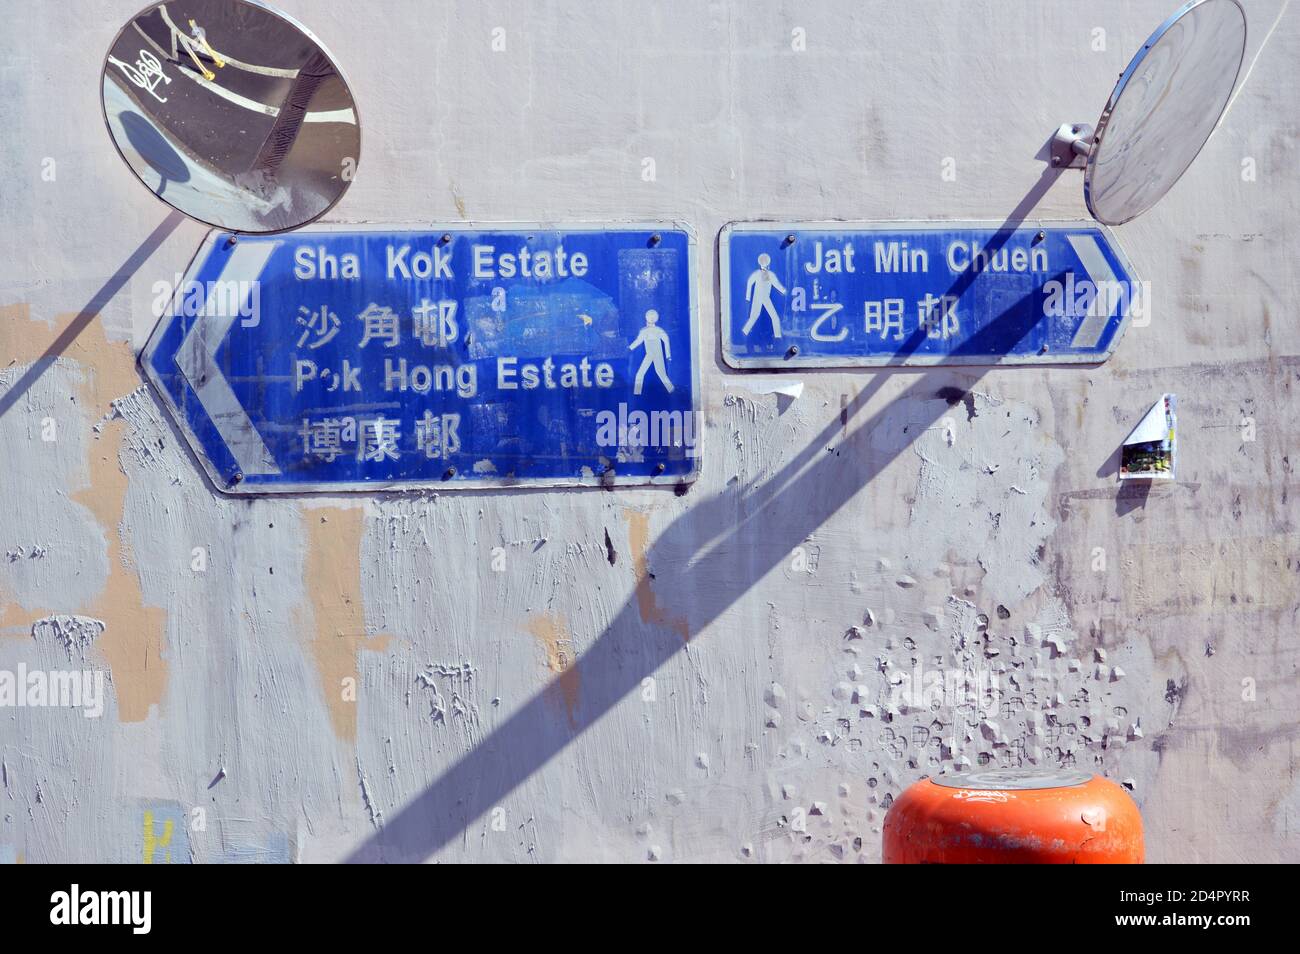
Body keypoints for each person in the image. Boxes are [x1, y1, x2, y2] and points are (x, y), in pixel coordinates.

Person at [629, 309, 673, 395]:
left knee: (661, 374)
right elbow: (638, 341)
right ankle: (637, 393)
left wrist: (668, 355)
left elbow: (666, 340)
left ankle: (672, 391)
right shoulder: (646, 331)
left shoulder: (657, 330)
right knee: (640, 373)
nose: (651, 319)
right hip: (649, 355)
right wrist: (629, 348)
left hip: (657, 355)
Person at [743, 253, 786, 337]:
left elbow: (776, 284)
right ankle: (744, 332)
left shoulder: (770, 274)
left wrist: (784, 291)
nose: (764, 262)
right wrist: (747, 297)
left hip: (765, 297)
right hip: (758, 297)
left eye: (765, 261)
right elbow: (749, 283)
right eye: (763, 261)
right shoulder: (757, 273)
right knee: (754, 316)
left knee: (773, 316)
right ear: (760, 262)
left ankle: (777, 336)